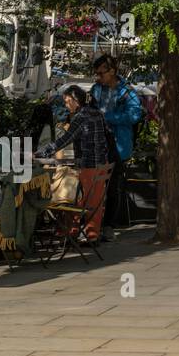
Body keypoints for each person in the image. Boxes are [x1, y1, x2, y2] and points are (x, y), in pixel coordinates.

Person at [36, 85, 115, 243]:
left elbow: (65, 139)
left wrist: (40, 153)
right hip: (102, 162)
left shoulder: (80, 117)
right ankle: (88, 233)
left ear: (75, 100)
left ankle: (80, 233)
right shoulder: (97, 113)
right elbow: (107, 135)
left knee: (80, 199)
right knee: (91, 200)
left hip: (89, 164)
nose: (66, 105)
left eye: (67, 101)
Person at [89, 54, 141, 236]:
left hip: (118, 144)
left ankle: (109, 225)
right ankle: (93, 224)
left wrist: (108, 118)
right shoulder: (96, 90)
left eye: (101, 73)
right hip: (97, 144)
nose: (98, 77)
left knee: (112, 186)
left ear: (112, 72)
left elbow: (134, 116)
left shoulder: (127, 92)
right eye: (96, 74)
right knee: (94, 185)